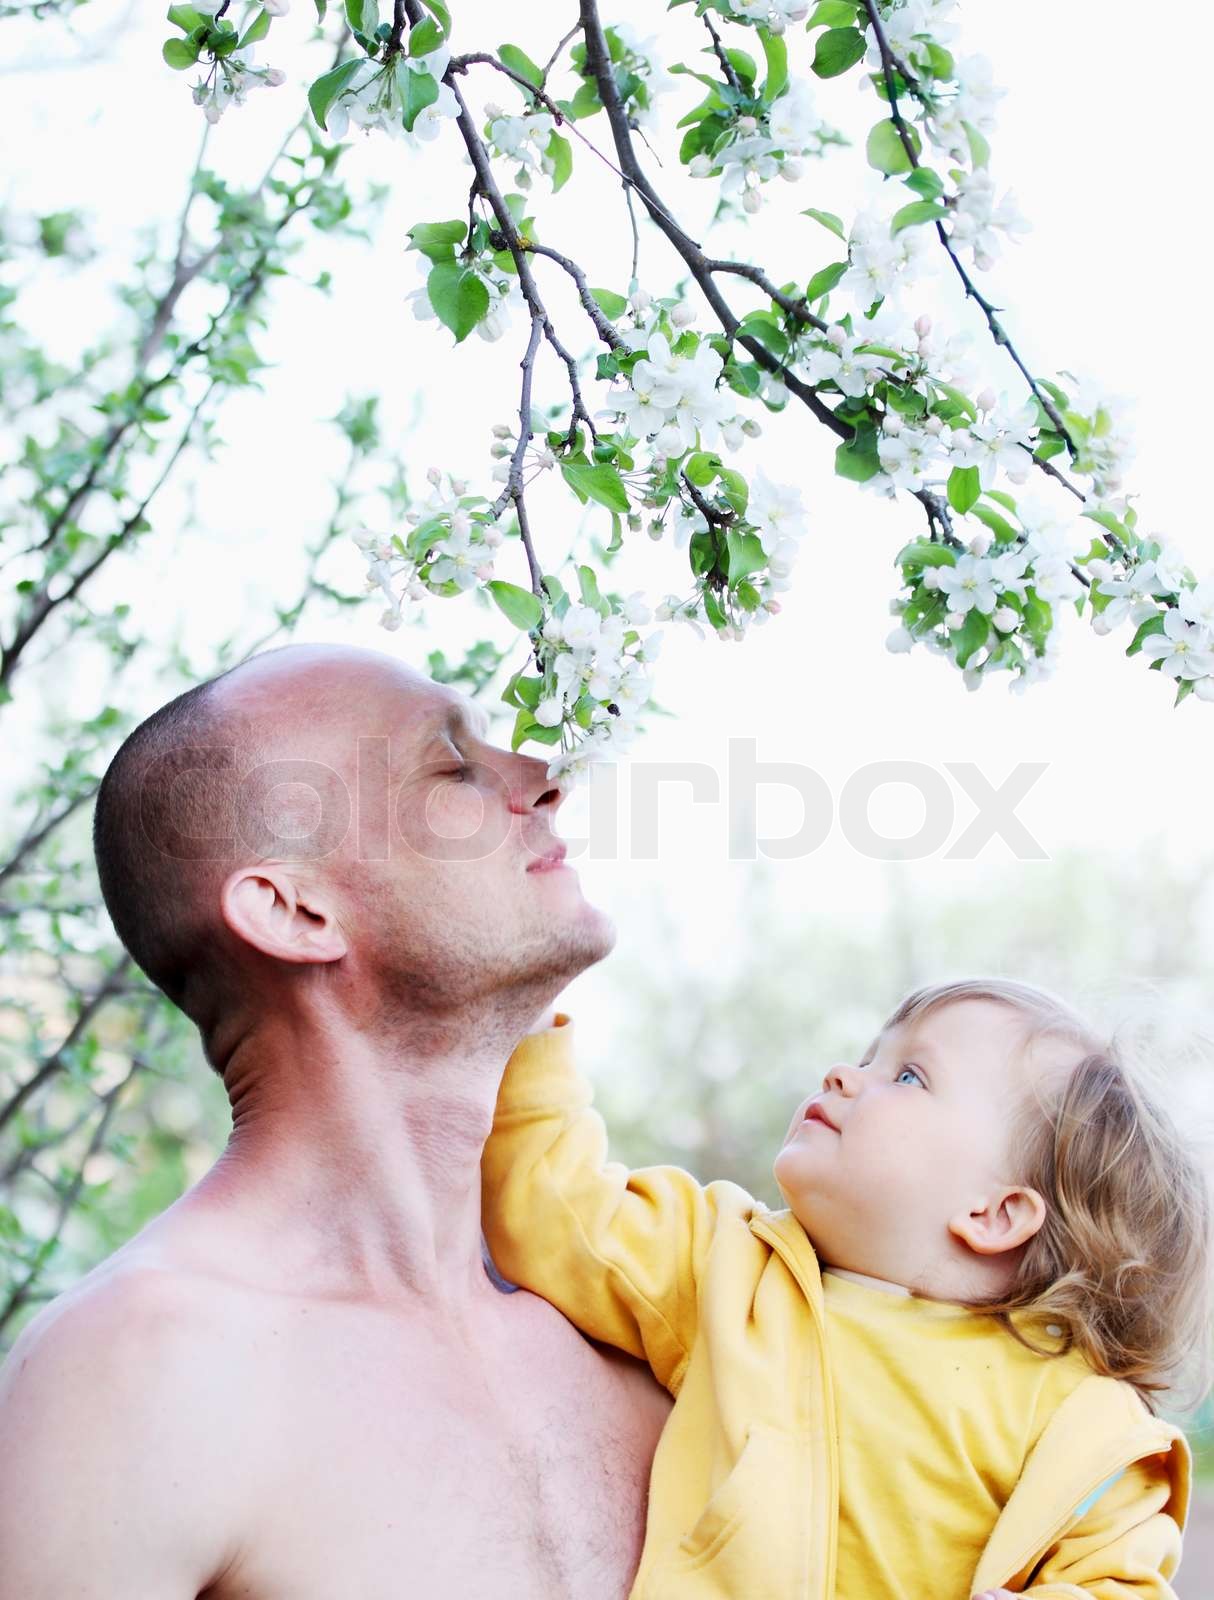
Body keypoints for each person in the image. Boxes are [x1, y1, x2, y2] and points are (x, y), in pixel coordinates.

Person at [0, 643, 670, 1600]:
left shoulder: (646, 1323)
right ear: (293, 910)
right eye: (452, 767)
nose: (544, 779)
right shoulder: (140, 1372)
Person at [482, 977, 1212, 1599]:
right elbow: (555, 1206)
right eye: (870, 1056)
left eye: (908, 1076)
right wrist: (527, 1019)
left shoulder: (1083, 1424)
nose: (841, 1072)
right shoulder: (727, 1269)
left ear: (994, 1213)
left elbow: (1118, 1578)